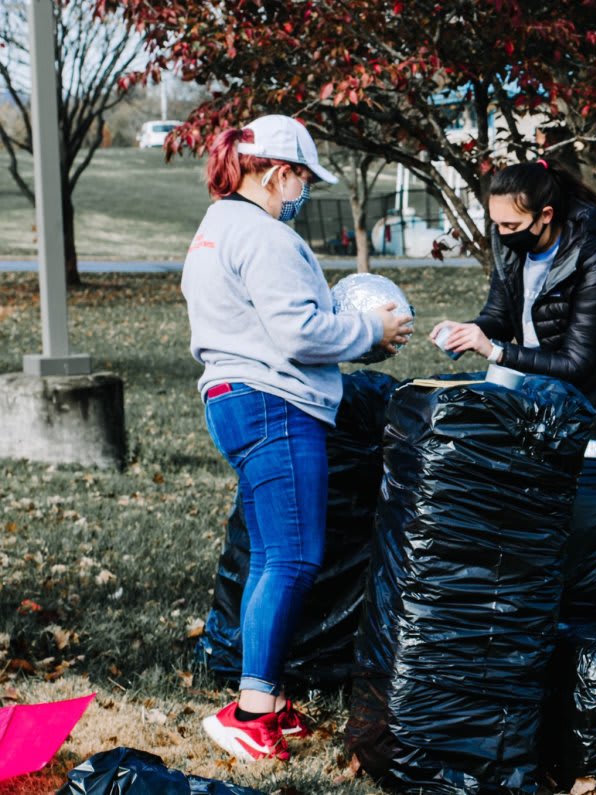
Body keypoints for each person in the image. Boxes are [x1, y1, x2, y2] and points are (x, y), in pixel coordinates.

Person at [181, 115, 411, 762]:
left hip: (234, 398)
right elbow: (302, 334)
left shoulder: (216, 227)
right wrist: (372, 331)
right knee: (295, 557)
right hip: (275, 403)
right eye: (303, 177)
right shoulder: (266, 237)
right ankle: (250, 711)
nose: (304, 190)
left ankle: (267, 694)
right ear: (278, 171)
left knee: (271, 555)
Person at [429, 159, 596, 459]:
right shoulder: (513, 249)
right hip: (558, 388)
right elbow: (500, 316)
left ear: (545, 215)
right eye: (496, 224)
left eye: (511, 225)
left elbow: (575, 363)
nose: (502, 234)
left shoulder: (595, 263)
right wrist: (471, 331)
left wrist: (496, 352)